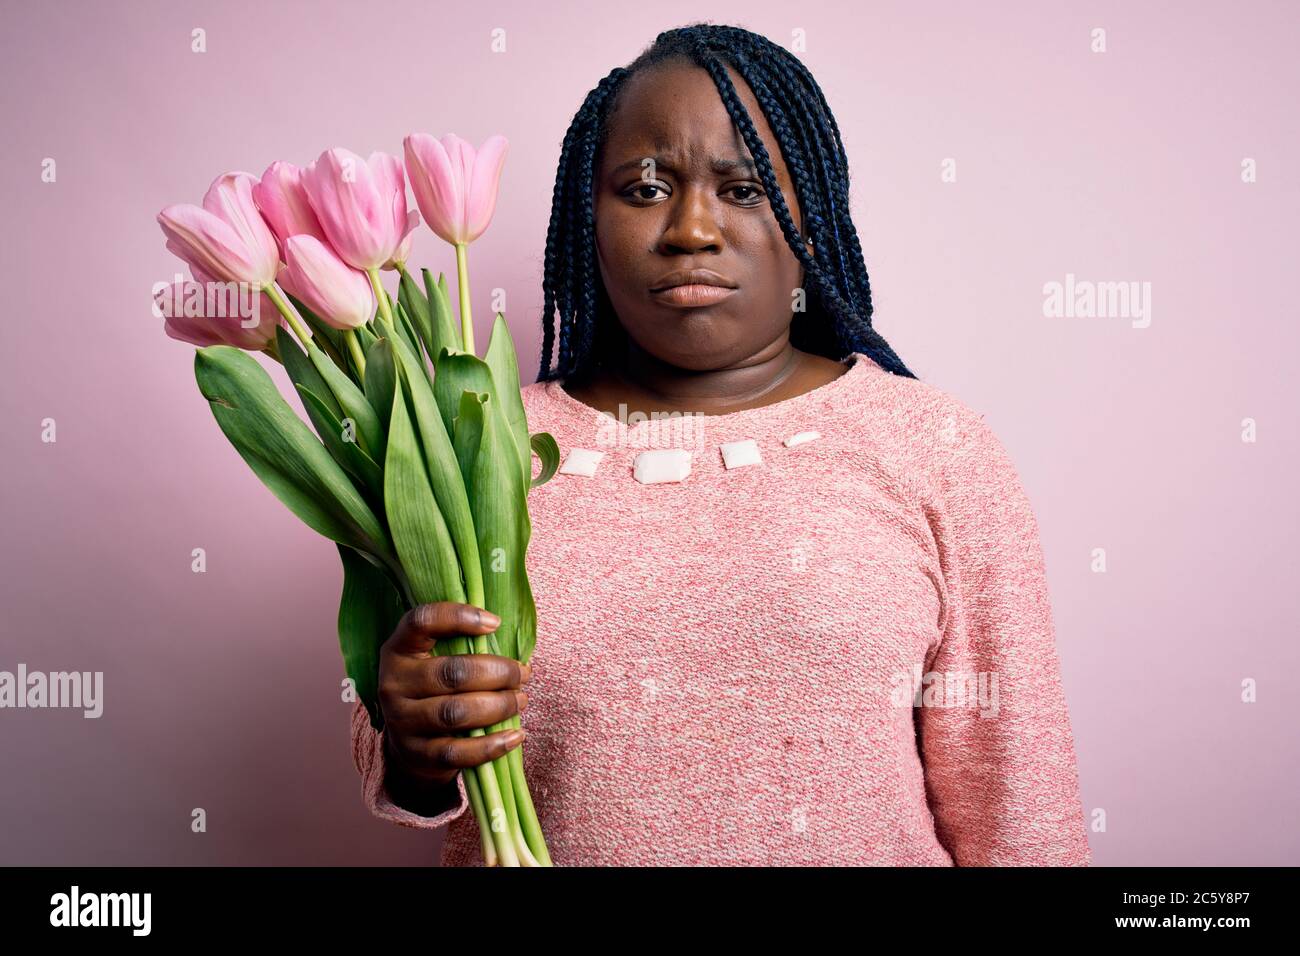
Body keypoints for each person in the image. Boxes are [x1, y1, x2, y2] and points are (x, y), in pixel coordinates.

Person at [350, 23, 1091, 866]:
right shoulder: (475, 445)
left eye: (745, 191)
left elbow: (1019, 806)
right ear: (584, 218)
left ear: (815, 220)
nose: (691, 229)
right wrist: (412, 747)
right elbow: (408, 778)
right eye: (642, 189)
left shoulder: (936, 445)